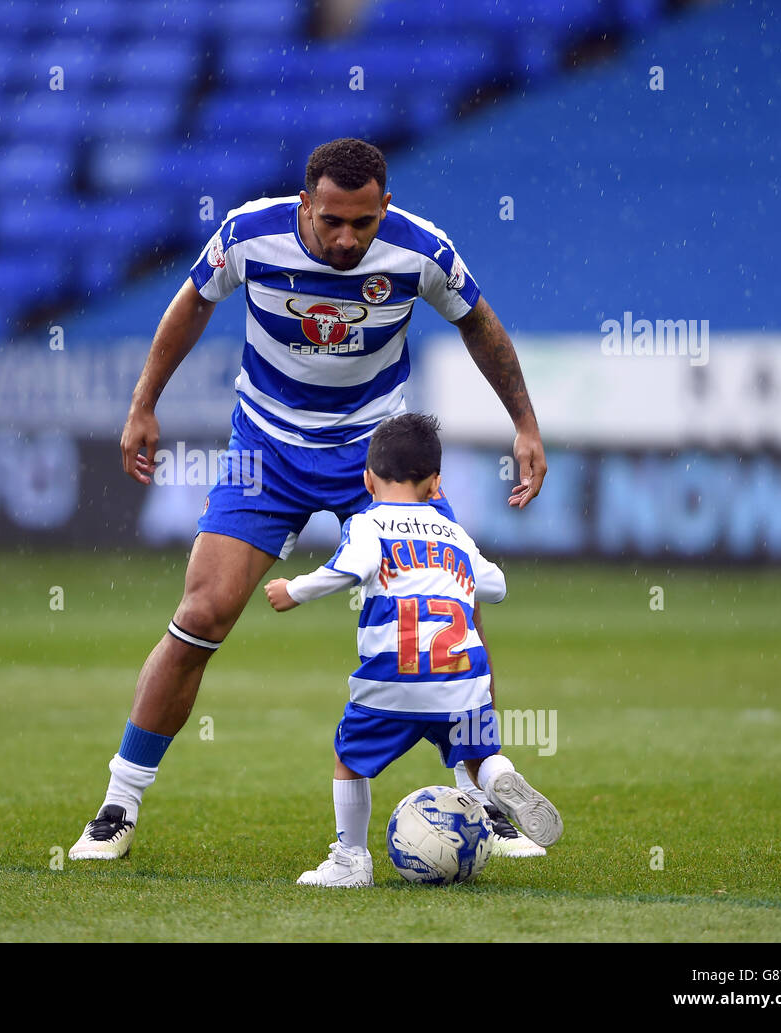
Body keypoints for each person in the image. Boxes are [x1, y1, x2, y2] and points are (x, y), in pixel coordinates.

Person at [70, 138, 547, 860]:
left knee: (453, 606)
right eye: (332, 221)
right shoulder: (247, 234)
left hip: (375, 453)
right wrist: (144, 405)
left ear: (384, 206)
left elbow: (479, 324)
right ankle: (119, 802)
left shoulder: (423, 251)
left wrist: (525, 424)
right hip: (266, 450)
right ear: (305, 205)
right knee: (202, 613)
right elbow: (189, 307)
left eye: (363, 222)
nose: (347, 238)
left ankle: (482, 789)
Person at [264, 413, 562, 886]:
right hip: (463, 683)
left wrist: (294, 590)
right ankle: (497, 779)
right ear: (435, 483)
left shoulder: (368, 522)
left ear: (367, 479)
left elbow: (348, 569)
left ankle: (350, 861)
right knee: (478, 755)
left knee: (349, 760)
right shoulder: (454, 533)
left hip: (395, 682)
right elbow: (497, 586)